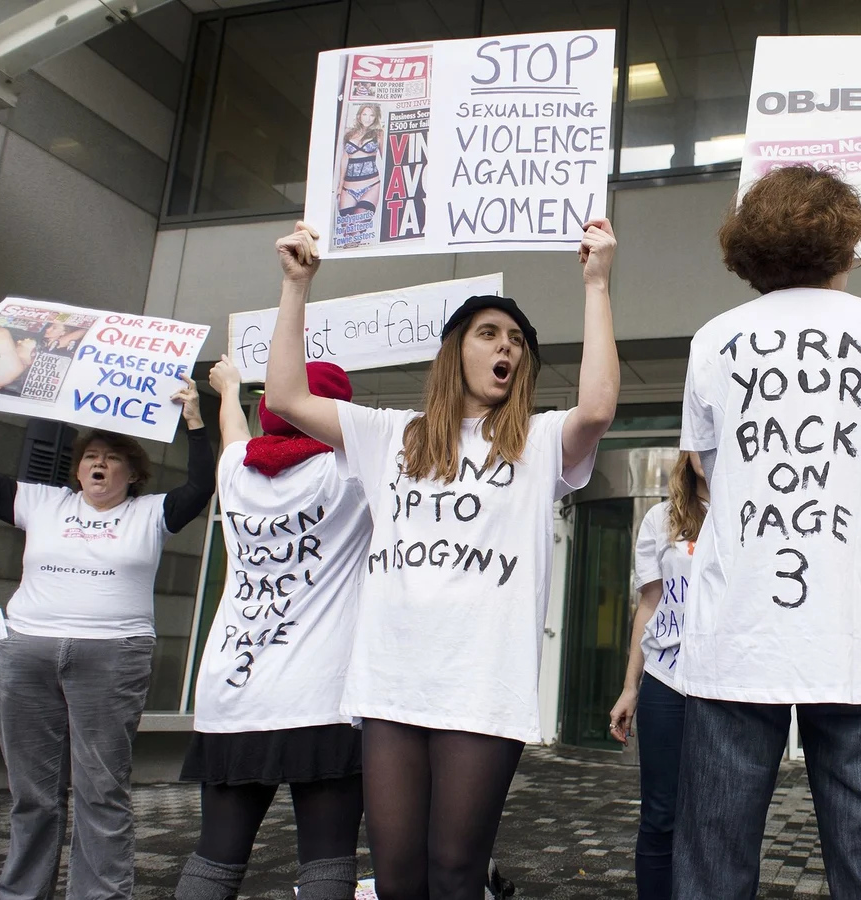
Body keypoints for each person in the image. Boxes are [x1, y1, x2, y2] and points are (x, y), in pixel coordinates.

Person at [261, 219, 617, 899]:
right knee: (397, 877)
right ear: (456, 351)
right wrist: (295, 285)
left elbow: (597, 407)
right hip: (392, 685)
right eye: (489, 334)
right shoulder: (391, 434)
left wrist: (596, 282)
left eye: (516, 341)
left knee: (455, 873)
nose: (505, 346)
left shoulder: (537, 442)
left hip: (481, 687)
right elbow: (284, 399)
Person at [670, 165, 861, 899]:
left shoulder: (715, 339)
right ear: (848, 243)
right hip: (854, 631)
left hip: (738, 630)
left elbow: (712, 472)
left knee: (713, 864)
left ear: (747, 248)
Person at [0, 365, 214, 899]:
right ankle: (23, 893)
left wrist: (194, 422)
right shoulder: (41, 502)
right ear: (77, 470)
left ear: (132, 473)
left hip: (112, 657)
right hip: (27, 652)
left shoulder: (152, 512)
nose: (99, 463)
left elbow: (202, 485)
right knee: (32, 793)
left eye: (112, 457)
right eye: (91, 456)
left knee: (101, 789)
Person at [177, 356, 372, 900]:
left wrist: (231, 388)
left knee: (214, 859)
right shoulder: (351, 468)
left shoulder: (237, 469)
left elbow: (234, 432)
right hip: (320, 697)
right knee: (327, 862)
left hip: (232, 691)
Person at [608, 451, 708, 900]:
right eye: (699, 440)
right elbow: (649, 604)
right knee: (660, 816)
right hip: (666, 682)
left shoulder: (750, 509)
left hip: (725, 685)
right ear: (687, 450)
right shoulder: (661, 518)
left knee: (715, 818)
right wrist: (631, 687)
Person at [334, 104, 384, 246]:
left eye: (372, 115)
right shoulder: (348, 133)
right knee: (347, 232)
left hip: (371, 185)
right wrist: (340, 186)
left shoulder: (379, 134)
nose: (368, 118)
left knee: (357, 231)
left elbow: (387, 158)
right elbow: (344, 159)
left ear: (375, 117)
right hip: (348, 188)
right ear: (359, 115)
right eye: (365, 114)